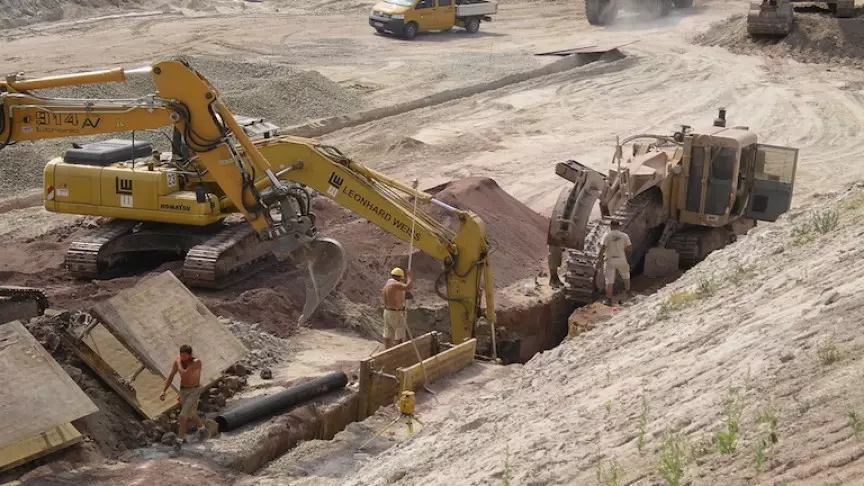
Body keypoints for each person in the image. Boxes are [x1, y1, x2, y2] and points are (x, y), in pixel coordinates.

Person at [160, 344, 209, 453]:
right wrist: (164, 390)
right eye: (181, 356)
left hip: (194, 391)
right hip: (183, 391)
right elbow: (171, 376)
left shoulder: (197, 362)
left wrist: (178, 363)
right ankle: (202, 430)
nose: (182, 358)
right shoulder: (179, 362)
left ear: (190, 355)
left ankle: (179, 443)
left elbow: (185, 374)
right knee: (191, 413)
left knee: (182, 416)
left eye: (185, 356)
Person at [597, 220, 633, 305]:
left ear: (610, 226)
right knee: (626, 276)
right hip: (621, 259)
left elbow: (602, 248)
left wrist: (599, 260)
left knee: (609, 281)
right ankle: (628, 293)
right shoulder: (624, 236)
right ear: (619, 226)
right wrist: (621, 249)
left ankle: (608, 300)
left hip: (610, 260)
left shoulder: (607, 235)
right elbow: (630, 248)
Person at [380, 267, 413, 349]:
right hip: (396, 313)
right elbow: (408, 286)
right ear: (399, 277)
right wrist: (409, 276)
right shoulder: (395, 284)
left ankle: (387, 351)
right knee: (400, 335)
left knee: (388, 334)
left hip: (387, 312)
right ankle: (399, 352)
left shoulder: (387, 285)